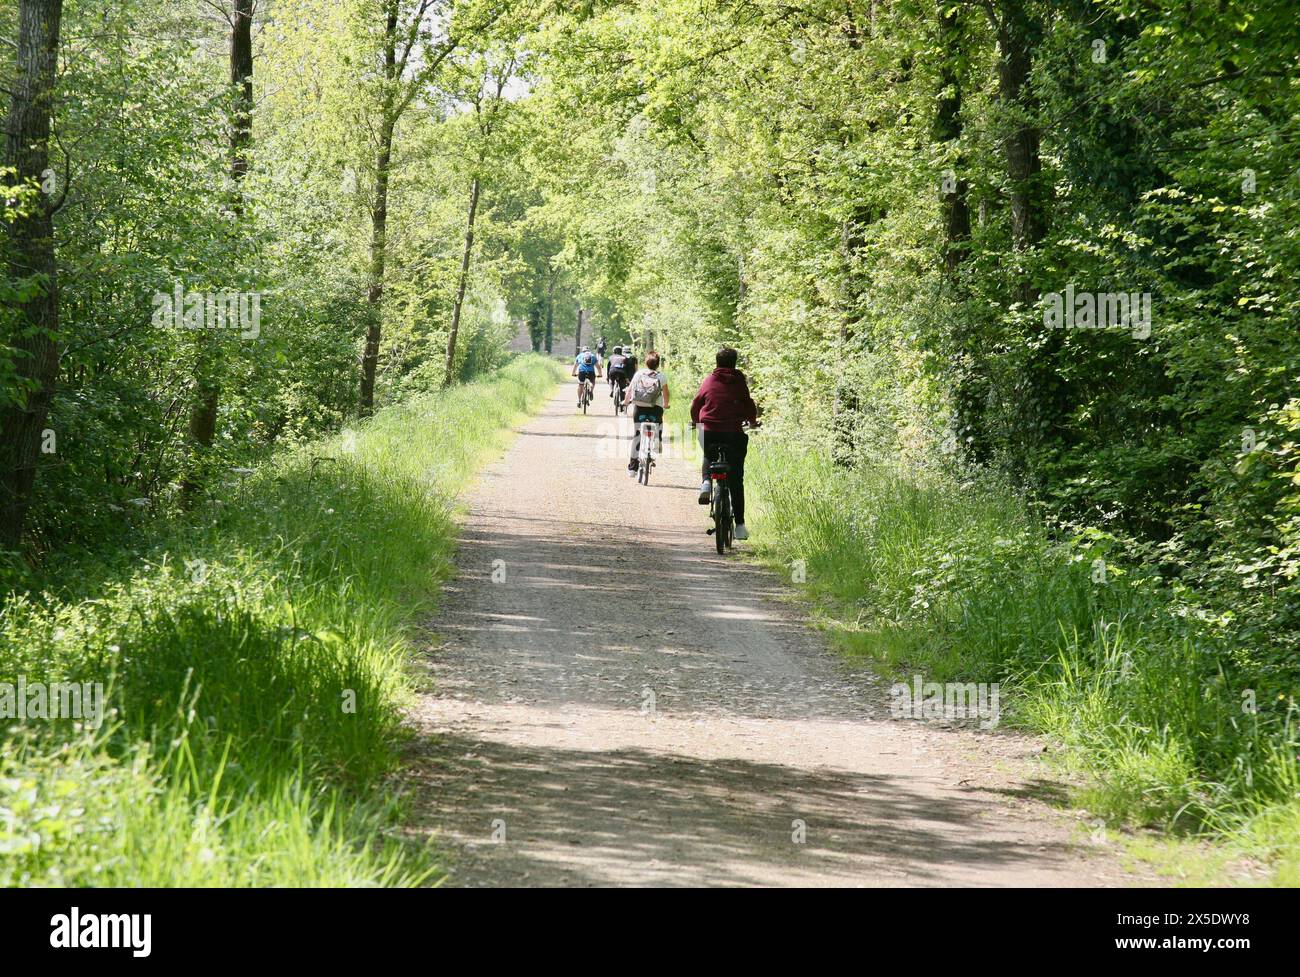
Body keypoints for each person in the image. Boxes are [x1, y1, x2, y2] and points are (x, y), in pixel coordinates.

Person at [689, 347, 759, 539]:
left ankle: (705, 483)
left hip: (710, 431)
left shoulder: (709, 380)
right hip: (733, 434)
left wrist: (696, 422)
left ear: (717, 362)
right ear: (734, 362)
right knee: (736, 478)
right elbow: (748, 404)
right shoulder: (739, 382)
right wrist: (752, 422)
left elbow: (696, 403)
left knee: (707, 454)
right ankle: (740, 526)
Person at [625, 351, 668, 477]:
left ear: (646, 362)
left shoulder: (639, 373)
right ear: (658, 364)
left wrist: (626, 401)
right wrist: (666, 404)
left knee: (637, 435)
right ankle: (658, 441)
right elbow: (665, 394)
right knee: (658, 423)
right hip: (655, 408)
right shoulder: (662, 376)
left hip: (640, 407)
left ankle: (633, 468)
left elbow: (630, 390)